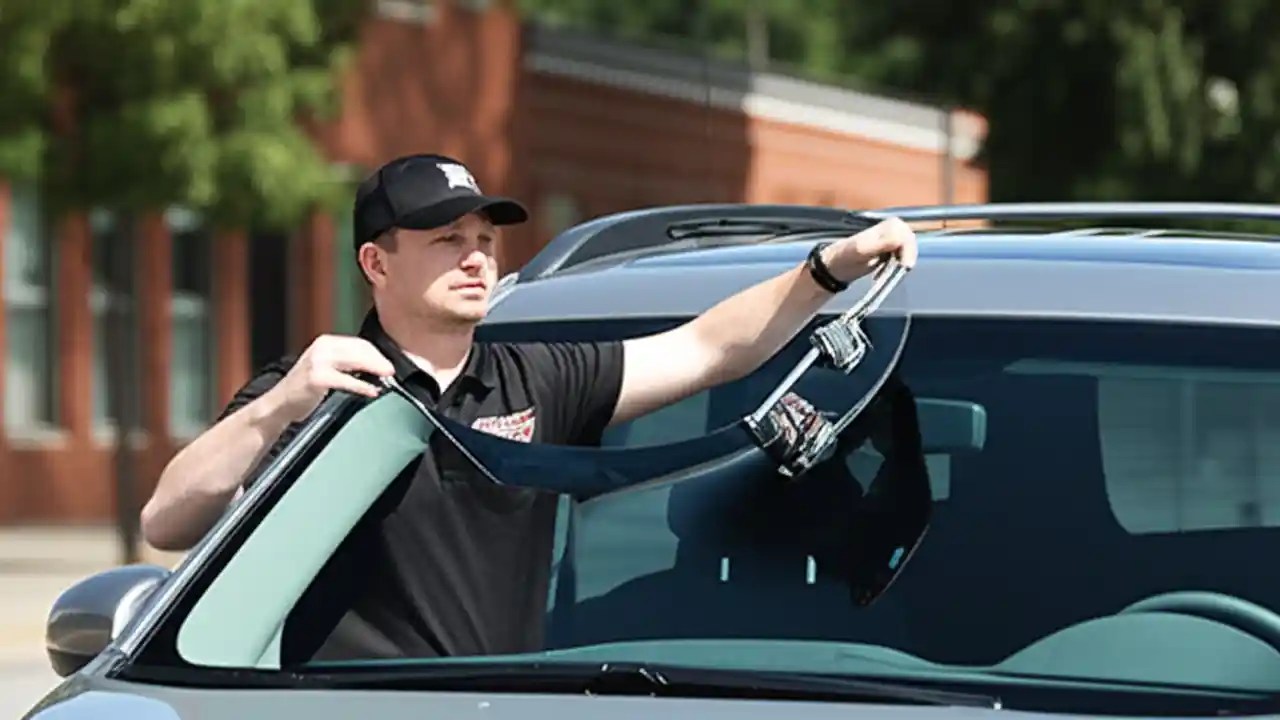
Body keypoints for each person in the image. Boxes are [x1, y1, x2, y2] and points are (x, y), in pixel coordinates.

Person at [139, 152, 918, 660]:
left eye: (485, 237)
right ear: (375, 262)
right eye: (447, 239)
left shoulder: (539, 380)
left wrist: (827, 271)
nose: (477, 256)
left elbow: (708, 348)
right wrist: (278, 407)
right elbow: (166, 521)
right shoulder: (317, 388)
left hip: (513, 707)